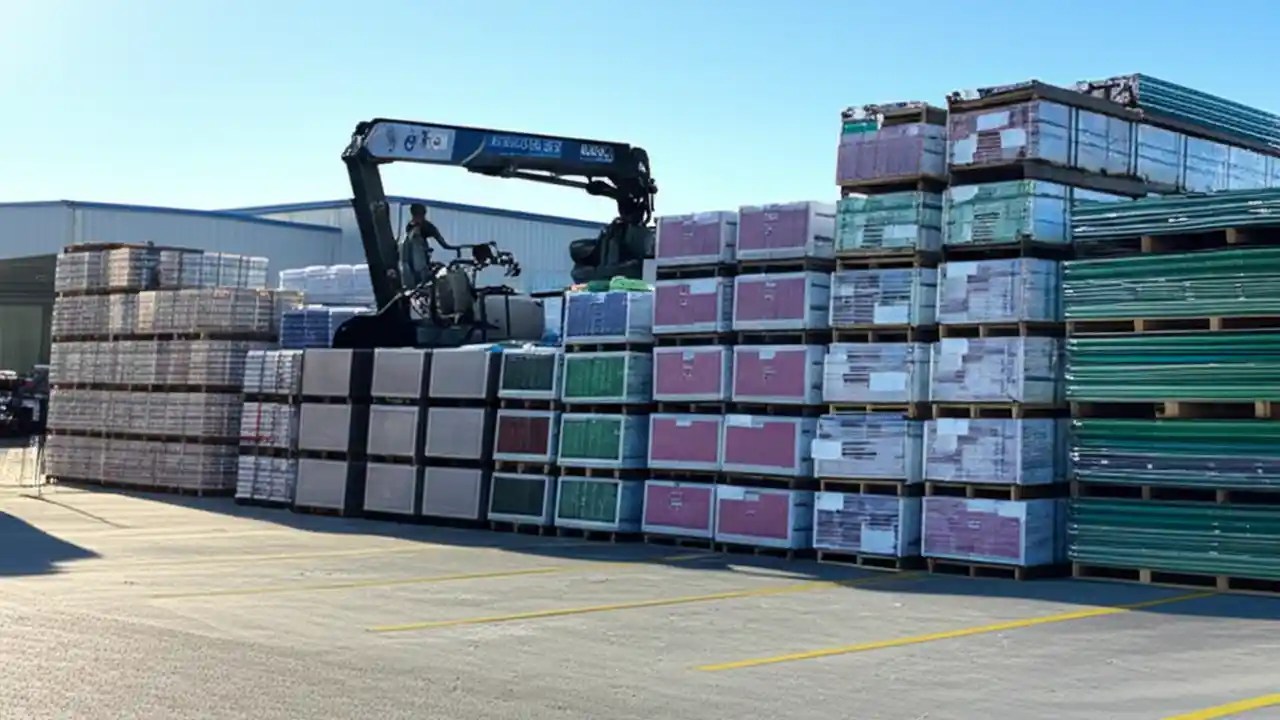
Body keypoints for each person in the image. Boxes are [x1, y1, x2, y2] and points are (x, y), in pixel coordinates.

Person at [397, 203, 446, 290]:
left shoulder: (428, 227)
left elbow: (442, 241)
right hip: (411, 259)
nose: (418, 218)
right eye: (416, 215)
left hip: (421, 258)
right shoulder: (410, 228)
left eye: (420, 215)